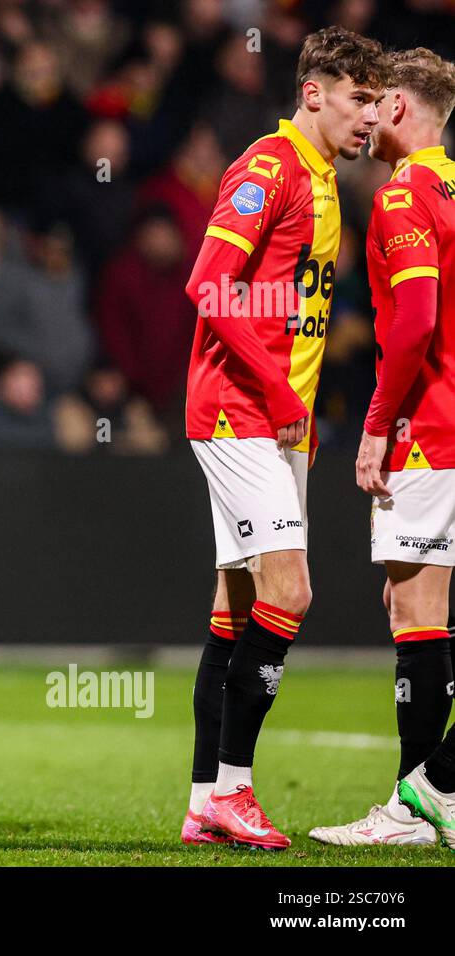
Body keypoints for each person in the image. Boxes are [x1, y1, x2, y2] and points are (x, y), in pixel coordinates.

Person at [180, 26, 390, 850]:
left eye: (376, 101)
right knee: (291, 591)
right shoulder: (269, 167)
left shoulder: (326, 179)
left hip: (274, 419)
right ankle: (235, 788)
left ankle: (205, 800)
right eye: (358, 98)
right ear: (314, 92)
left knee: (233, 609)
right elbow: (207, 284)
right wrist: (274, 389)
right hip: (239, 412)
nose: (369, 116)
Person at [309, 48, 455, 848]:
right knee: (431, 612)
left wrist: (374, 424)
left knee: (415, 608)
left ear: (400, 105)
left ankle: (420, 800)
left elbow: (417, 323)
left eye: (375, 101)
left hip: (431, 429)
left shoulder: (404, 197)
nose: (366, 116)